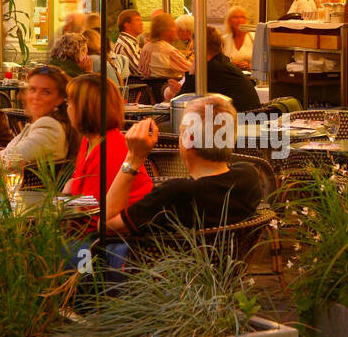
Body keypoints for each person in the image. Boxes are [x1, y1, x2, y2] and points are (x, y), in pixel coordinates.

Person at [105, 95, 262, 236]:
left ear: (189, 140)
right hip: (229, 266)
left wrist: (133, 158)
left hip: (161, 266)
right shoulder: (249, 177)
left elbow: (106, 226)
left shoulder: (174, 194)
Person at [64, 74, 153, 208]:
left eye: (70, 103)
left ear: (84, 109)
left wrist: (60, 201)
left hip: (119, 225)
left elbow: (93, 208)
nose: (68, 108)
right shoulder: (90, 140)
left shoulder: (108, 148)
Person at [0, 66, 74, 169]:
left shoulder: (50, 128)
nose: (36, 96)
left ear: (59, 99)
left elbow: (11, 159)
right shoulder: (38, 125)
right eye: (32, 89)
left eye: (46, 92)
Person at [165, 26, 261, 112]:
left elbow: (182, 102)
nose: (193, 53)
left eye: (194, 49)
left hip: (241, 124)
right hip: (246, 118)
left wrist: (191, 71)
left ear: (200, 48)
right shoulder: (221, 63)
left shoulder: (211, 69)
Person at [138, 11, 191, 78]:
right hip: (168, 86)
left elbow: (141, 70)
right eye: (173, 26)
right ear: (165, 31)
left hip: (148, 87)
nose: (176, 29)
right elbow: (193, 70)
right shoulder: (169, 51)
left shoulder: (146, 47)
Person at [112, 8, 144, 77]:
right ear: (127, 25)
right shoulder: (126, 43)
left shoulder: (129, 41)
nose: (141, 23)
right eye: (137, 20)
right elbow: (140, 70)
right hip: (135, 85)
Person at [222, 5, 254, 71]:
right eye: (235, 17)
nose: (239, 20)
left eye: (242, 17)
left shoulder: (254, 37)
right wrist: (232, 64)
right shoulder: (224, 39)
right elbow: (221, 62)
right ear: (229, 21)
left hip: (252, 77)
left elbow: (262, 62)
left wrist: (249, 66)